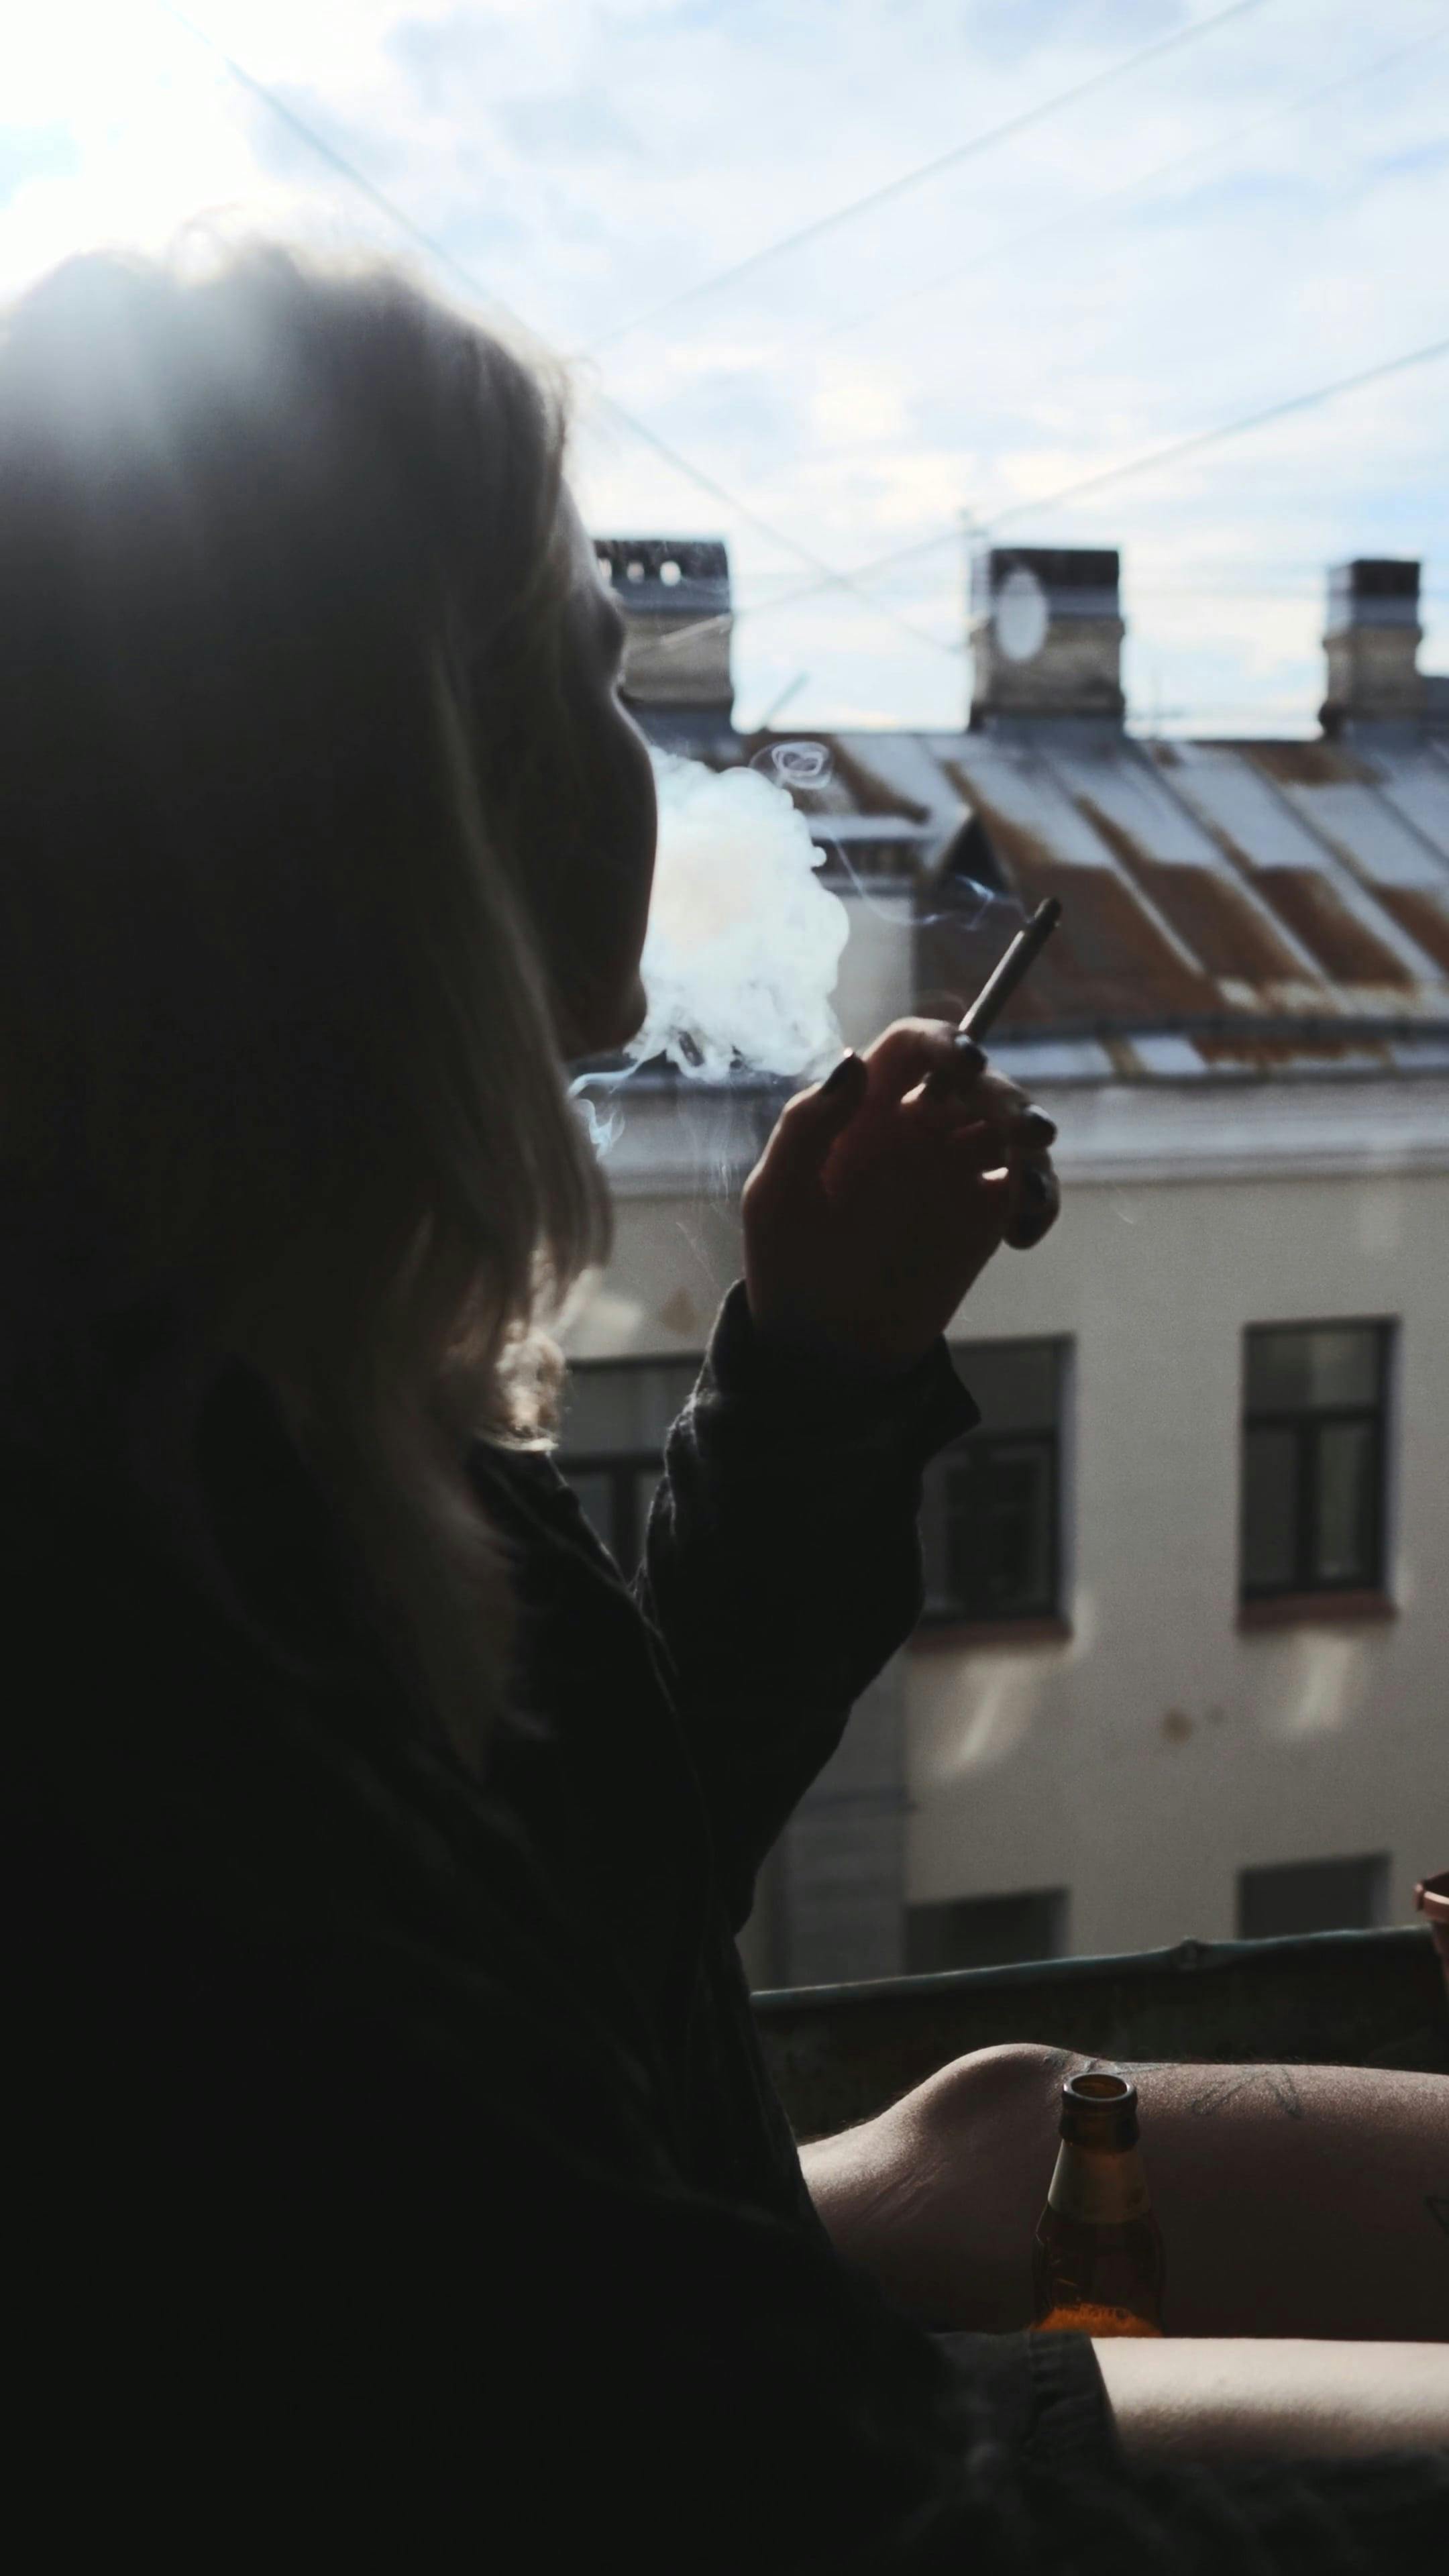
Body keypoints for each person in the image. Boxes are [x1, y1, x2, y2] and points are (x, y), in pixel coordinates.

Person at [3, 241, 1444, 2565]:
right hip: (802, 2448)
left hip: (762, 2339)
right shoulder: (136, 1640)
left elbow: (584, 1893)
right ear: (398, 808)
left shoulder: (211, 1401)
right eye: (591, 680)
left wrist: (815, 1378)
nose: (650, 773)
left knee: (991, 2121)